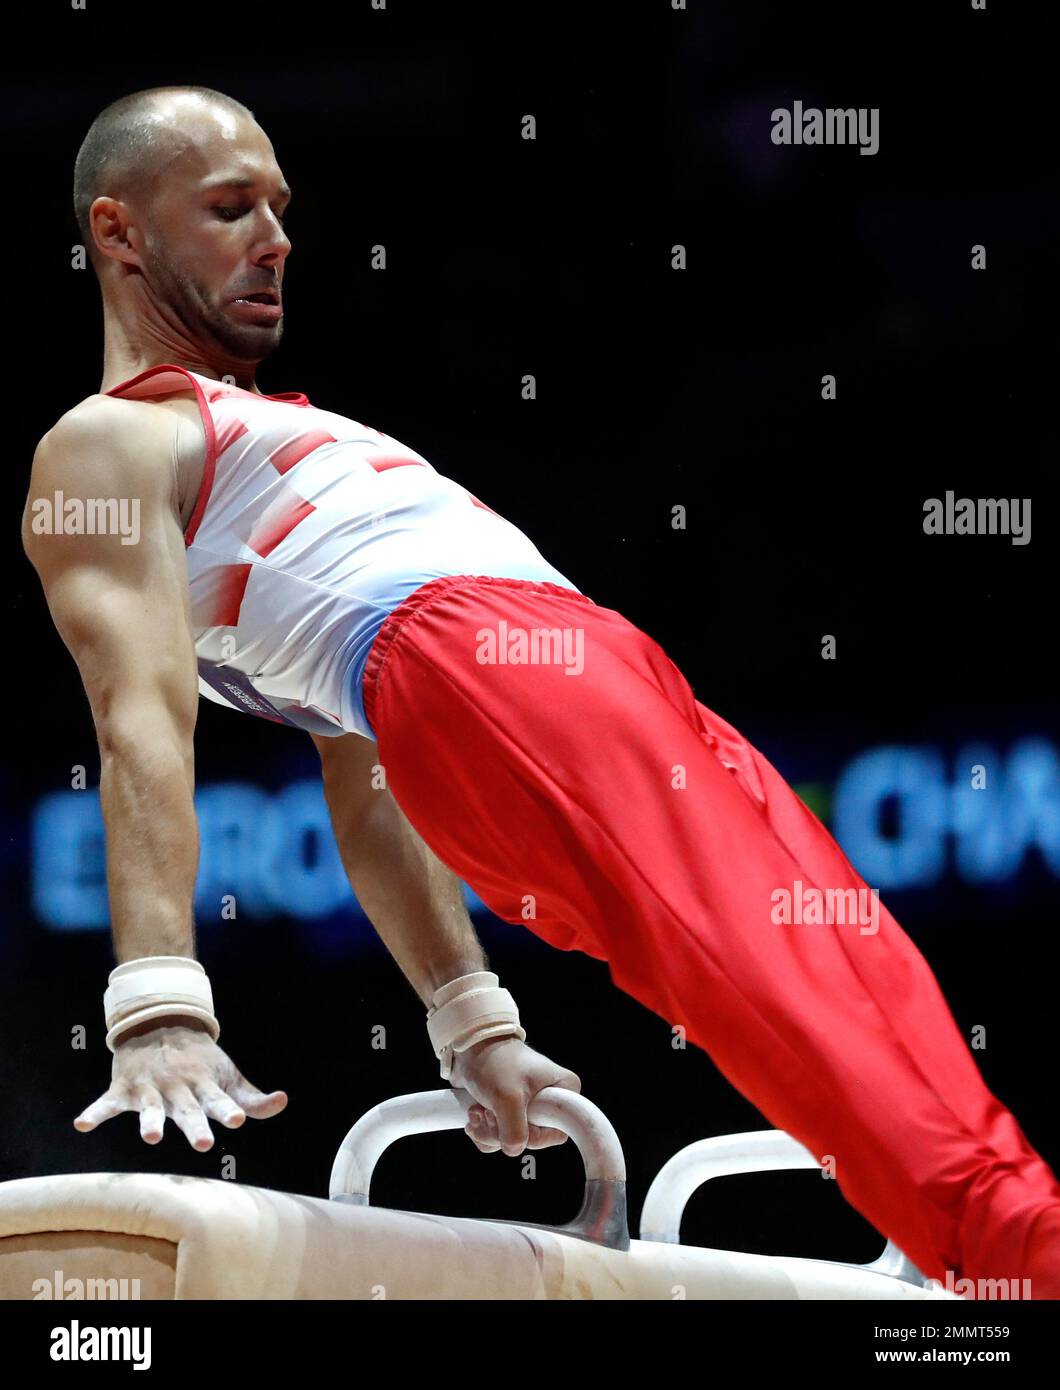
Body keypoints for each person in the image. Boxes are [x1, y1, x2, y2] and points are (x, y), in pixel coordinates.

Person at [22, 85, 1060, 1297]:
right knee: (781, 994)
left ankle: (1013, 1226)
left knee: (851, 966)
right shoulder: (110, 444)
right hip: (485, 677)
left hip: (587, 673)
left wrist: (474, 1025)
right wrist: (156, 1003)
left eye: (283, 208)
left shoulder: (283, 432)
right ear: (119, 232)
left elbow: (369, 787)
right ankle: (1016, 1259)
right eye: (229, 206)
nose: (277, 236)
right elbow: (140, 723)